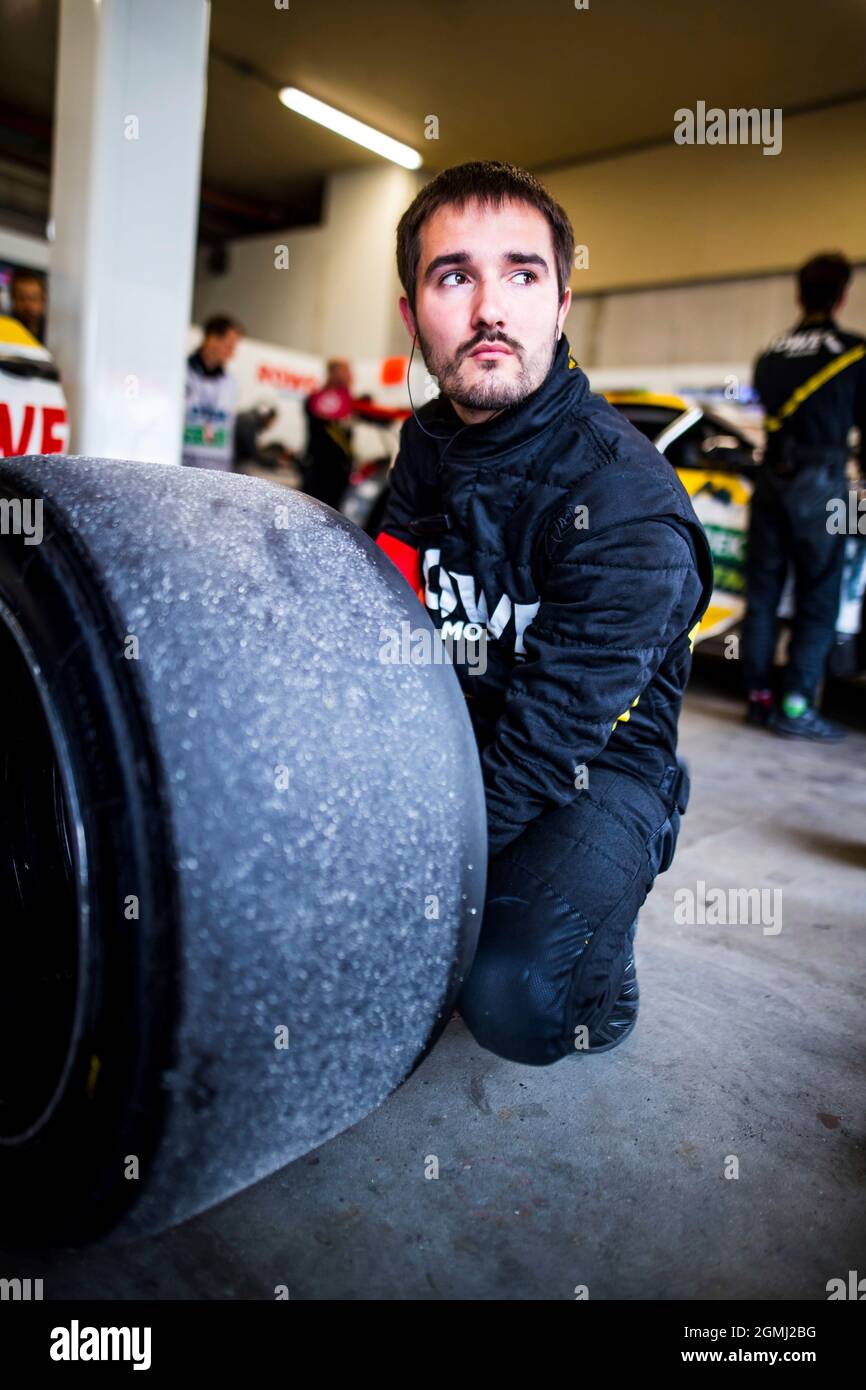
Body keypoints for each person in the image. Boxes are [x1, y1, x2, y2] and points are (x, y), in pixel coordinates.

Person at [375, 161, 714, 1067]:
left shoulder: (624, 502)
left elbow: (542, 745)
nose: (492, 308)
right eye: (456, 276)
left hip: (592, 765)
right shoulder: (426, 442)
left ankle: (601, 975)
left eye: (523, 274)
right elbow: (389, 607)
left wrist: (407, 870)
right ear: (413, 313)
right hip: (458, 726)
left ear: (561, 303)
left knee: (512, 996)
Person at [742, 253, 865, 740]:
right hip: (825, 485)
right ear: (843, 297)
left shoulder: (771, 353)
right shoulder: (855, 352)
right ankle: (796, 706)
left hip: (770, 481)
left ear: (799, 294)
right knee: (820, 595)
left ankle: (757, 697)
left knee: (764, 592)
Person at [182, 314, 243, 470]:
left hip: (217, 467)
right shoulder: (181, 373)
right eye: (228, 346)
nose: (232, 354)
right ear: (212, 338)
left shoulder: (230, 382)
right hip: (182, 462)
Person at [10, 269, 47, 343]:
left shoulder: (52, 333)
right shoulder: (5, 330)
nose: (28, 305)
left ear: (43, 301)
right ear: (13, 299)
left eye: (34, 298)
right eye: (22, 298)